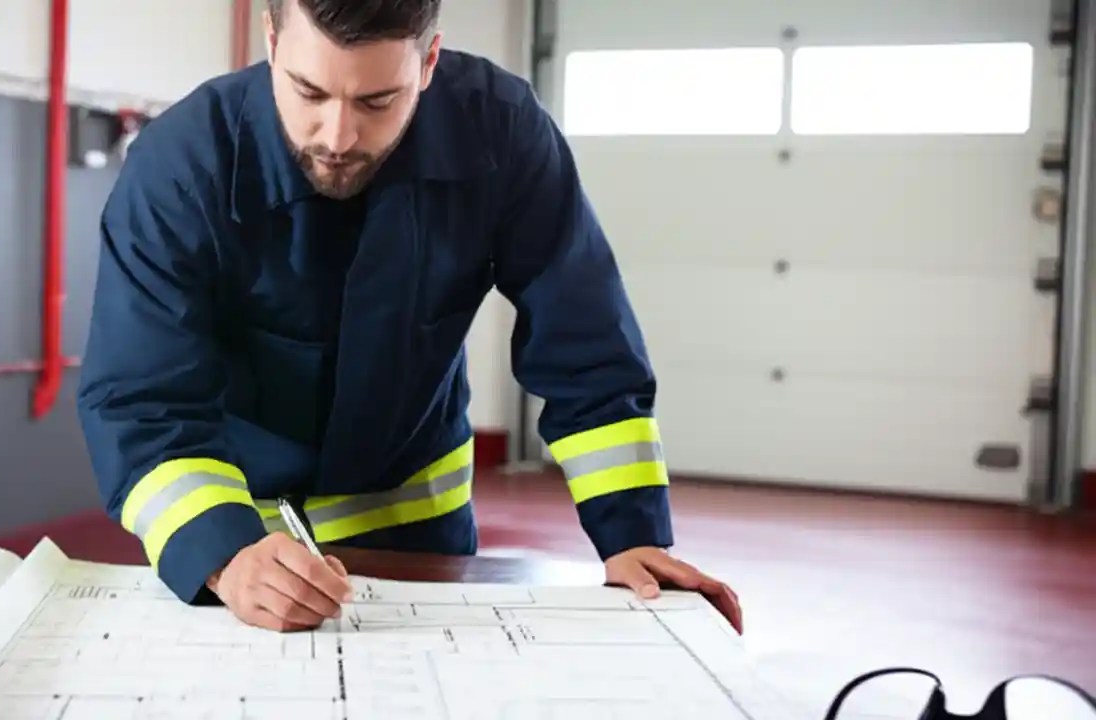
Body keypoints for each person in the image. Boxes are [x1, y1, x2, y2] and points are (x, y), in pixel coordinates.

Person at [77, 0, 743, 635]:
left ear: (428, 63)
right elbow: (141, 399)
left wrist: (634, 538)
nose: (338, 136)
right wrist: (221, 553)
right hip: (243, 545)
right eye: (309, 92)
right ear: (272, 41)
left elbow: (586, 339)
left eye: (376, 101)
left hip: (425, 540)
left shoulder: (500, 131)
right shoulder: (181, 166)